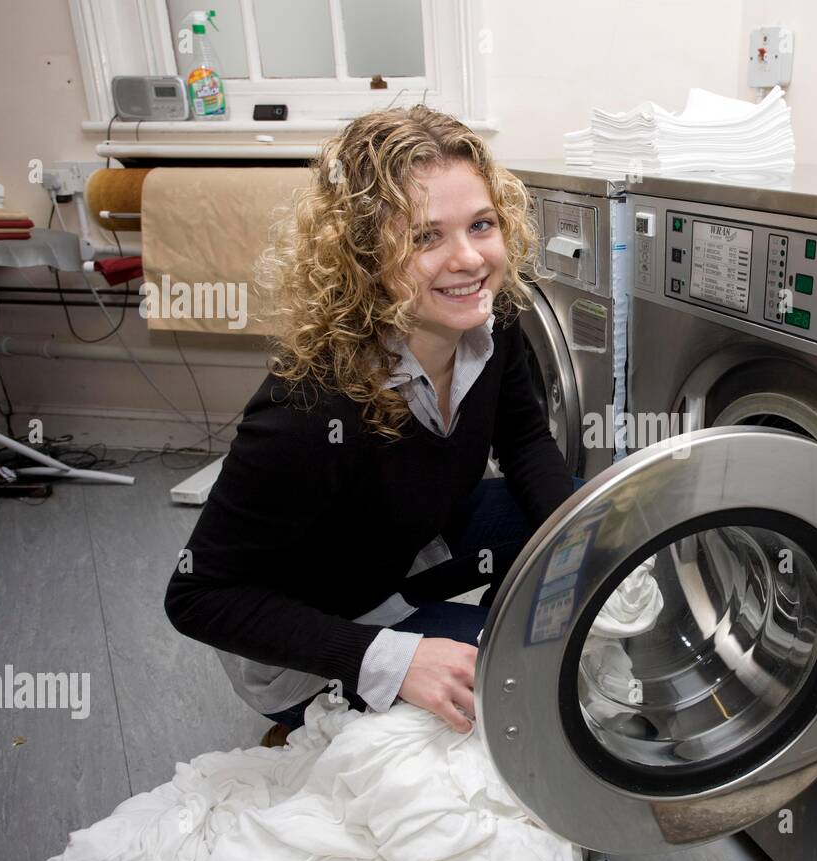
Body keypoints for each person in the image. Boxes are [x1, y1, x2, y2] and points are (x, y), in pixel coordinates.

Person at [164, 106, 578, 744]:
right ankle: (313, 717)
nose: (468, 259)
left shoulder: (494, 322)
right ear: (362, 255)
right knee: (519, 690)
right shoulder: (305, 408)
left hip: (399, 558)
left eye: (481, 224)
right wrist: (389, 660)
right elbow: (198, 596)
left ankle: (464, 650)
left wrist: (588, 547)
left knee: (559, 538)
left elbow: (523, 442)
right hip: (308, 641)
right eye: (424, 237)